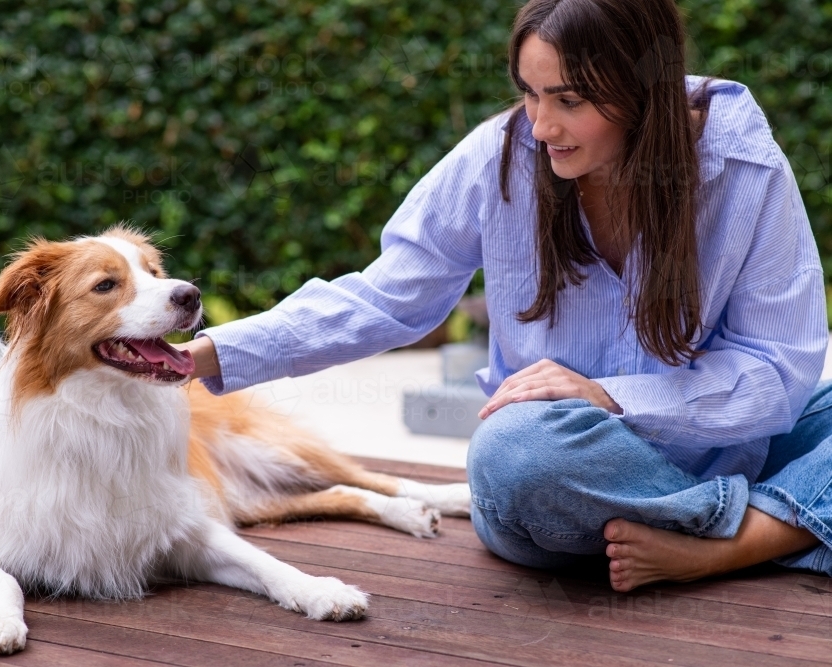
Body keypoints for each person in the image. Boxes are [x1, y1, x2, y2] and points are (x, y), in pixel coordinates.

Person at [178, 0, 832, 592]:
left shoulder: (742, 169)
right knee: (514, 453)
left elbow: (777, 368)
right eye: (529, 93)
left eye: (569, 99)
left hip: (711, 446)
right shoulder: (499, 156)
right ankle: (767, 523)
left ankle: (721, 544)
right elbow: (384, 298)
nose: (542, 125)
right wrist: (199, 356)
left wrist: (612, 394)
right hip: (555, 468)